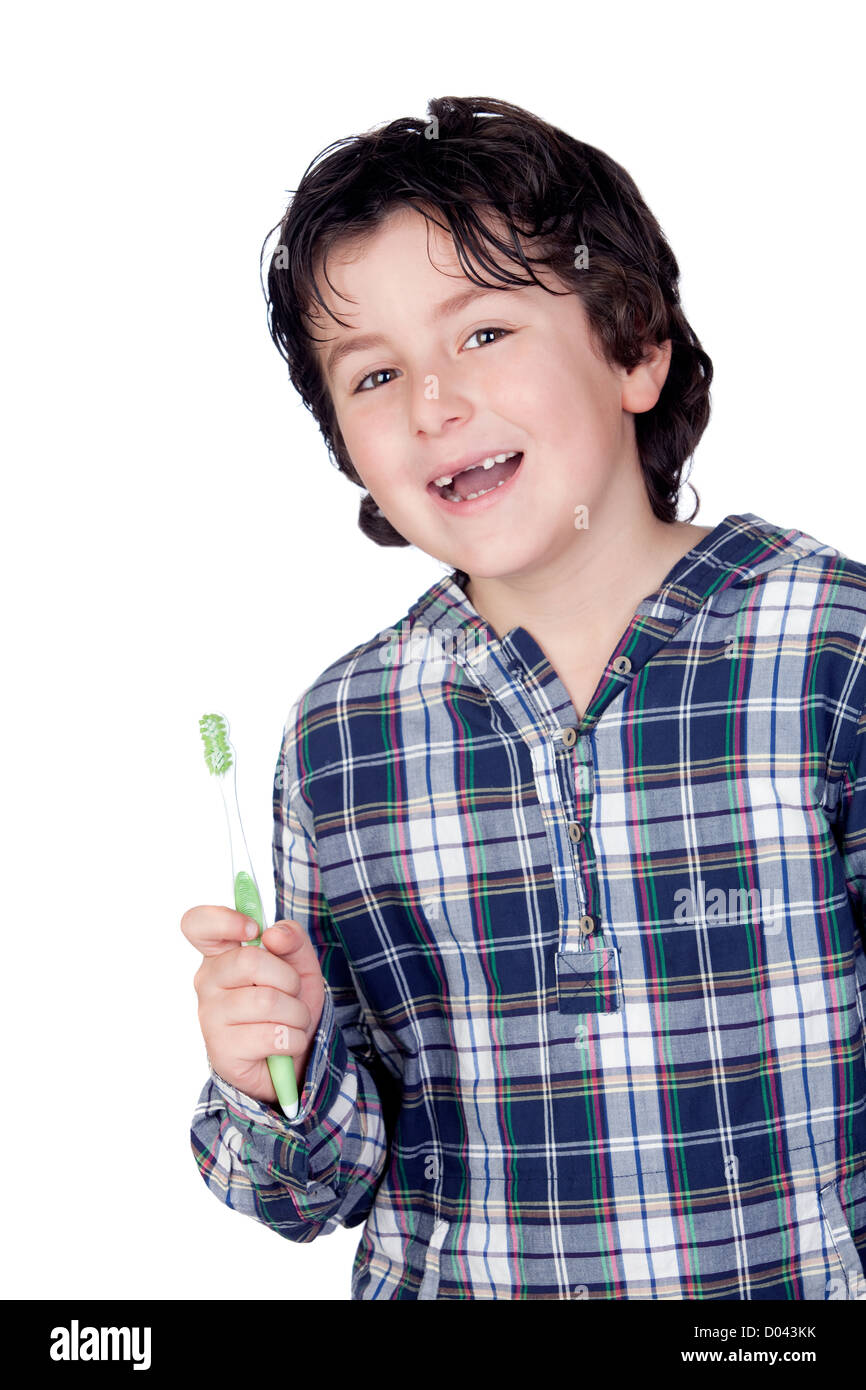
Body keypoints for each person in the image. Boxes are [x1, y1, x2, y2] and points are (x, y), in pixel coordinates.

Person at [183, 95, 866, 1300]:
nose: (432, 402)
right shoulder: (342, 737)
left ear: (633, 350)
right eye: (375, 373)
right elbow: (318, 1187)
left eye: (484, 334)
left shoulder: (828, 648)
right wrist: (273, 1069)